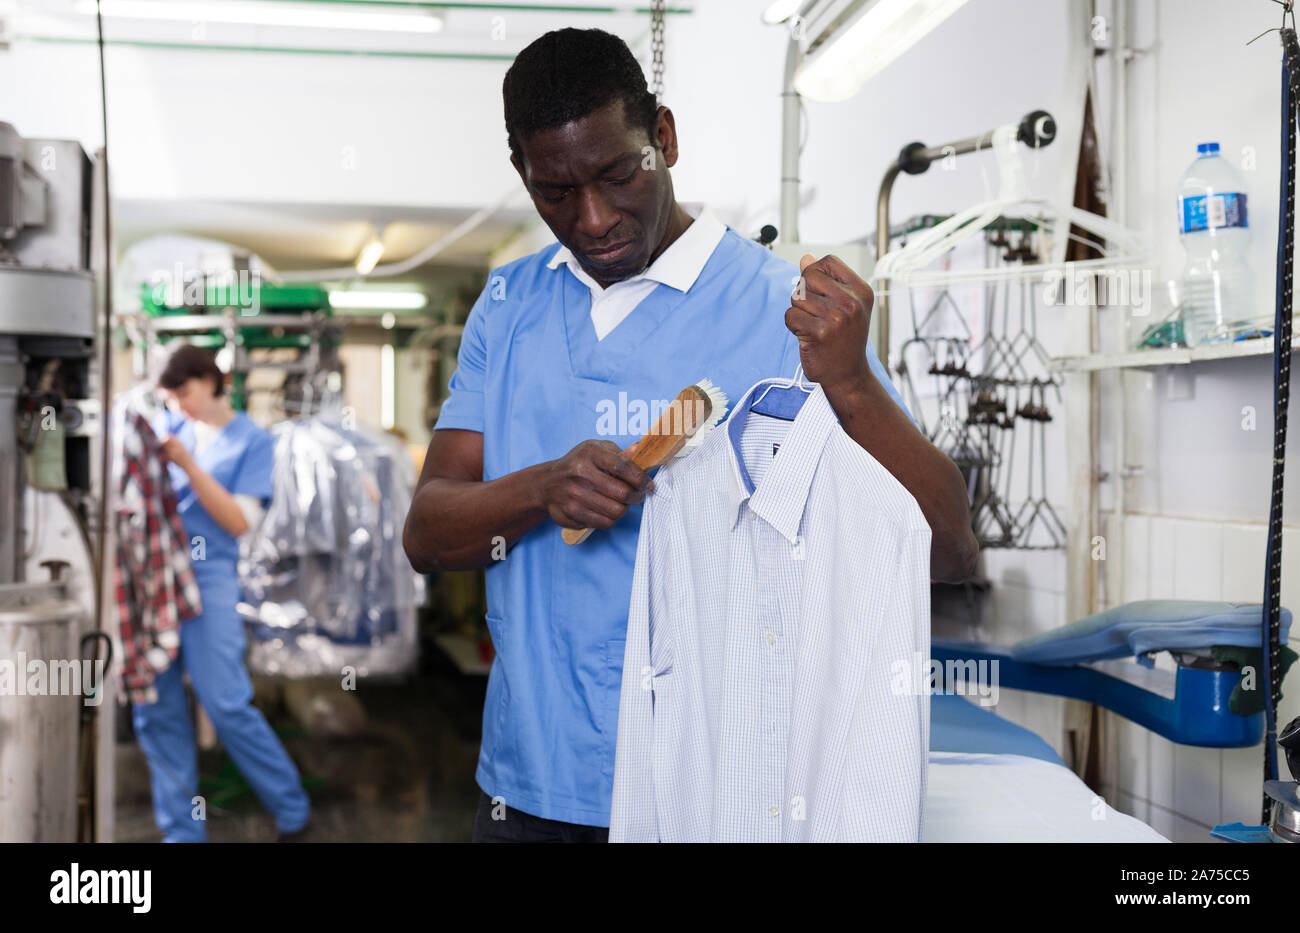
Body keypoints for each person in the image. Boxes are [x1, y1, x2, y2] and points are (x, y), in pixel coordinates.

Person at [402, 28, 978, 842]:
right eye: (557, 192)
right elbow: (428, 533)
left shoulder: (785, 310)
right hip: (534, 784)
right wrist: (540, 488)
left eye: (615, 174)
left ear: (663, 138)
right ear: (522, 174)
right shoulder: (510, 304)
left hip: (713, 788)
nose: (594, 218)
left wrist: (848, 382)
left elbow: (948, 547)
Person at [132, 343, 311, 842]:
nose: (177, 405)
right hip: (157, 580)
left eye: (183, 392)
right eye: (168, 398)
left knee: (226, 702)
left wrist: (188, 465)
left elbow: (238, 522)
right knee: (156, 705)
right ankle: (183, 831)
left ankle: (291, 809)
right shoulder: (171, 429)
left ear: (211, 381)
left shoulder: (252, 441)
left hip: (209, 581)